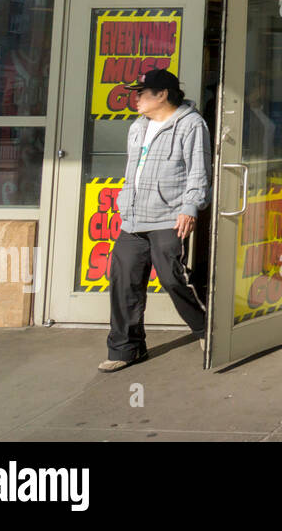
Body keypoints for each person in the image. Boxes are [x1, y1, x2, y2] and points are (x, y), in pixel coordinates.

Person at [98, 68, 211, 372]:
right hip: (133, 218)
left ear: (162, 95)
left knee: (173, 277)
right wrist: (124, 201)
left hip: (168, 216)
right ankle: (125, 349)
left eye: (142, 93)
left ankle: (206, 330)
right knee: (124, 282)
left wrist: (190, 206)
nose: (135, 98)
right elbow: (131, 171)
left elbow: (199, 170)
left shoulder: (191, 125)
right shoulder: (137, 126)